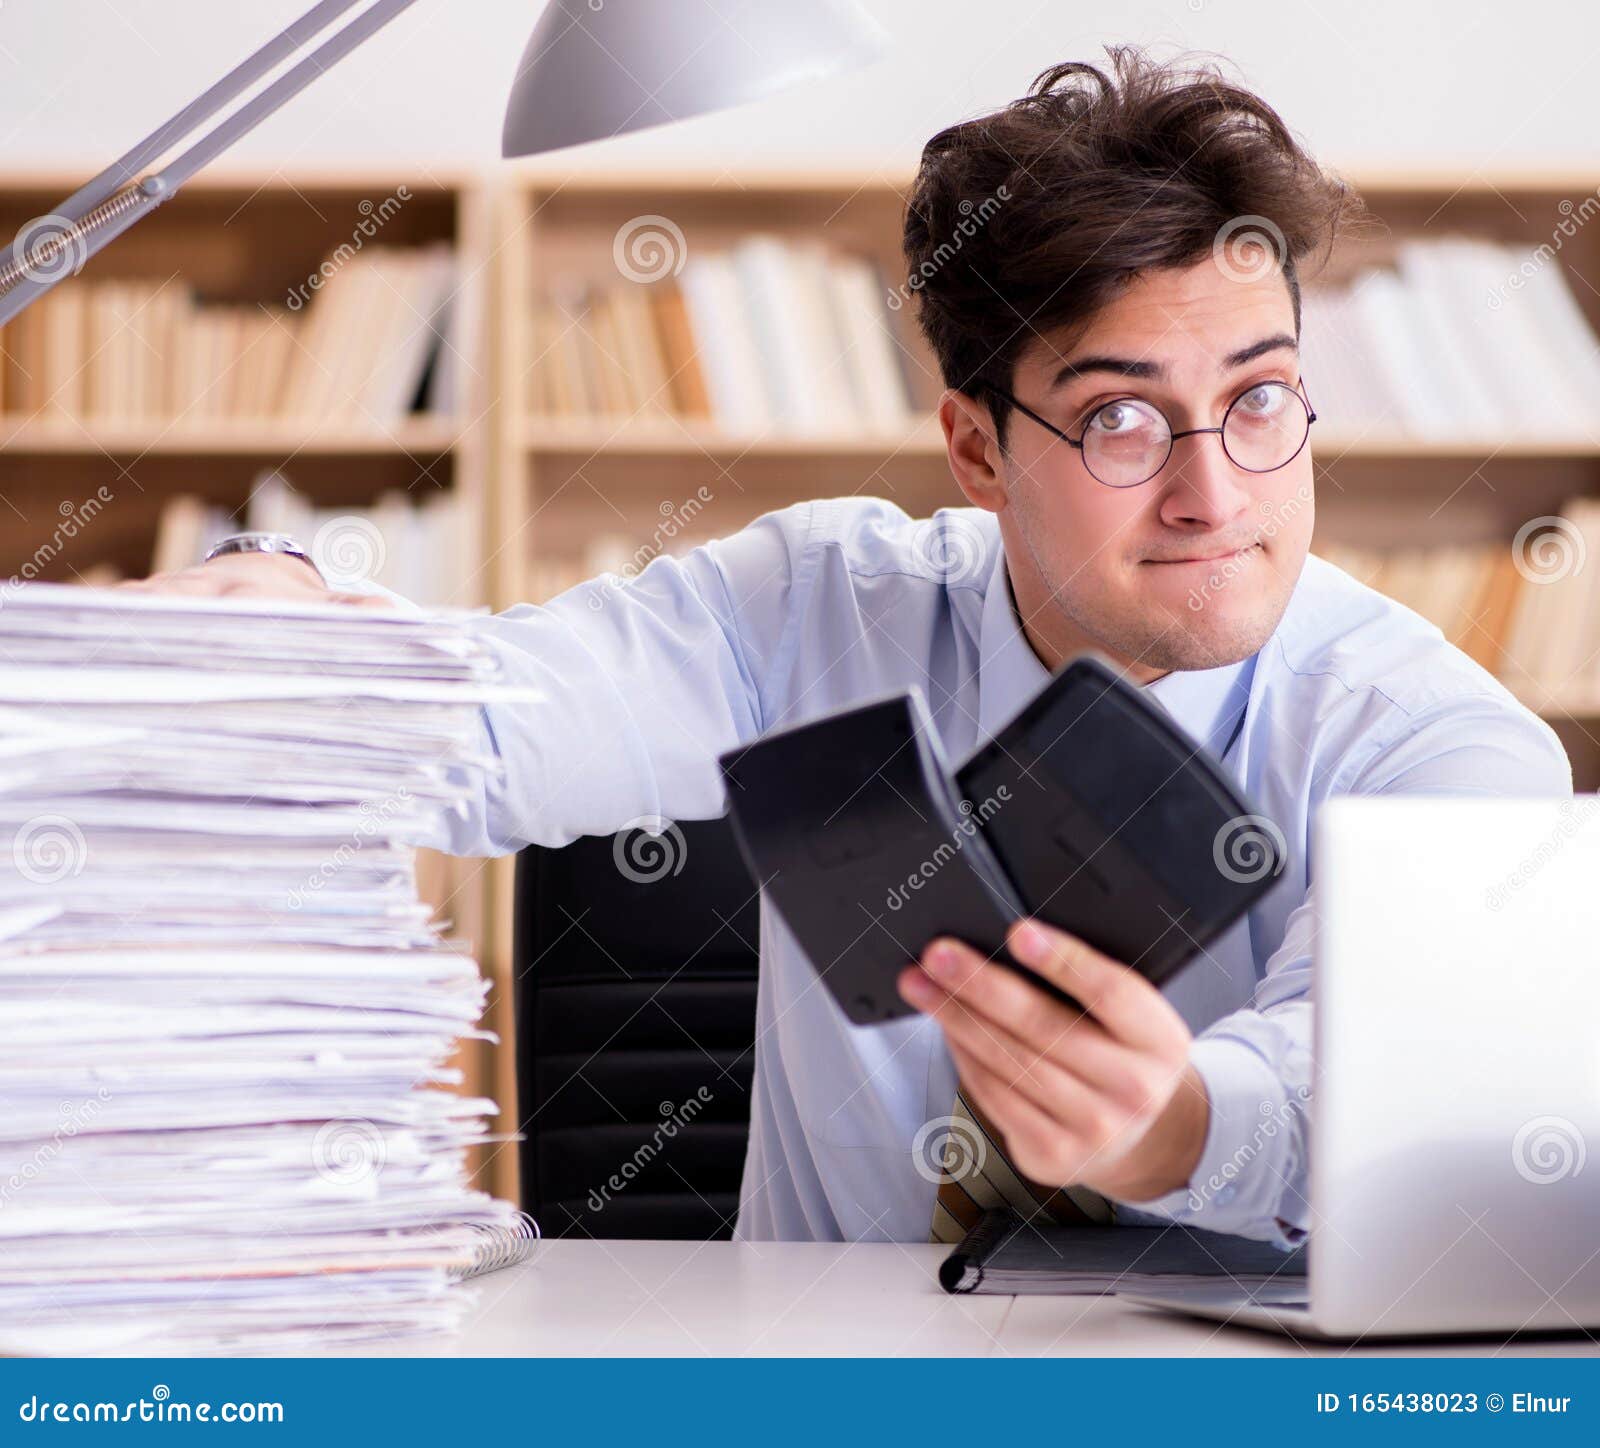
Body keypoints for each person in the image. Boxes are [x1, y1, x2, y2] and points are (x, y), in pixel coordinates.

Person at [125, 49, 1571, 1247]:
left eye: (1260, 400)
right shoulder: (821, 610)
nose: (1214, 490)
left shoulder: (1442, 751)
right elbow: (490, 719)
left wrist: (1175, 1125)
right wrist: (285, 621)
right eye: (1122, 419)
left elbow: (1374, 1101)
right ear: (976, 451)